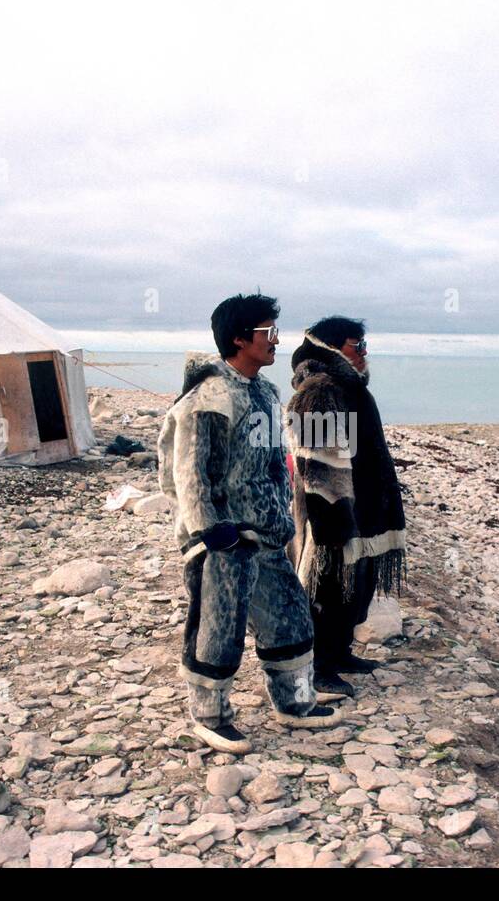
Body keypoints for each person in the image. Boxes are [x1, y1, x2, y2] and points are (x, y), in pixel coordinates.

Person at [158, 293, 343, 754]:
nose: (275, 341)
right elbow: (191, 469)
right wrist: (210, 529)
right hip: (226, 539)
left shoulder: (264, 391)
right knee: (218, 629)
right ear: (240, 339)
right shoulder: (211, 396)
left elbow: (273, 461)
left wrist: (283, 515)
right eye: (268, 333)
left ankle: (295, 702)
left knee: (289, 620)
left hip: (269, 533)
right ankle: (210, 716)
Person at [286, 316, 406, 699]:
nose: (364, 353)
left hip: (362, 507)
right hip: (334, 512)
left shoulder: (350, 388)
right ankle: (318, 666)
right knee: (329, 587)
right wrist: (331, 521)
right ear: (333, 347)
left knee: (357, 585)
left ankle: (340, 653)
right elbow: (315, 467)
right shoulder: (319, 391)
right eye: (358, 345)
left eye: (365, 345)